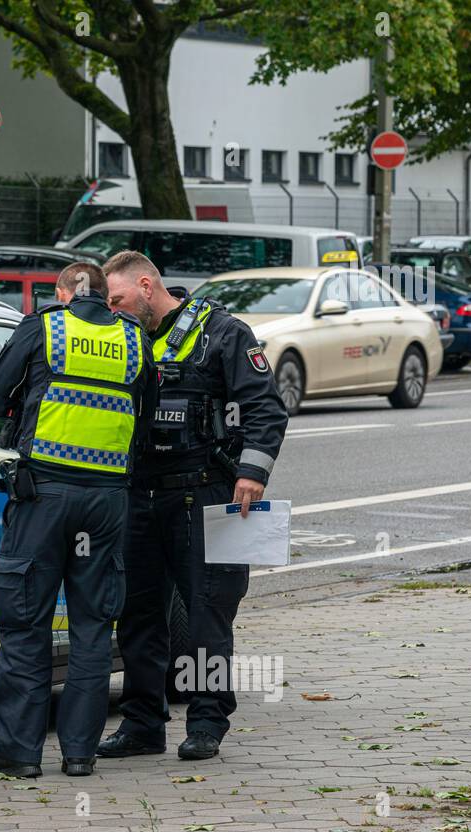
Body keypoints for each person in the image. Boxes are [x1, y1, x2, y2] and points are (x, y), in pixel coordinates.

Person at [97, 251, 287, 761]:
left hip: (205, 493)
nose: (112, 309)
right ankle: (141, 724)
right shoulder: (121, 339)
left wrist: (252, 472)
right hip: (139, 494)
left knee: (207, 614)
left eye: (116, 298)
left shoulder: (222, 332)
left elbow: (265, 407)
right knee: (136, 615)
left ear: (145, 284)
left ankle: (206, 720)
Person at [0, 262, 154, 778]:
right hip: (106, 502)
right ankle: (79, 754)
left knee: (25, 623)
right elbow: (143, 419)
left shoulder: (43, 327)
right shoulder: (134, 340)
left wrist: (20, 419)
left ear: (64, 292)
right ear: (107, 295)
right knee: (93, 628)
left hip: (44, 498)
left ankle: (18, 752)